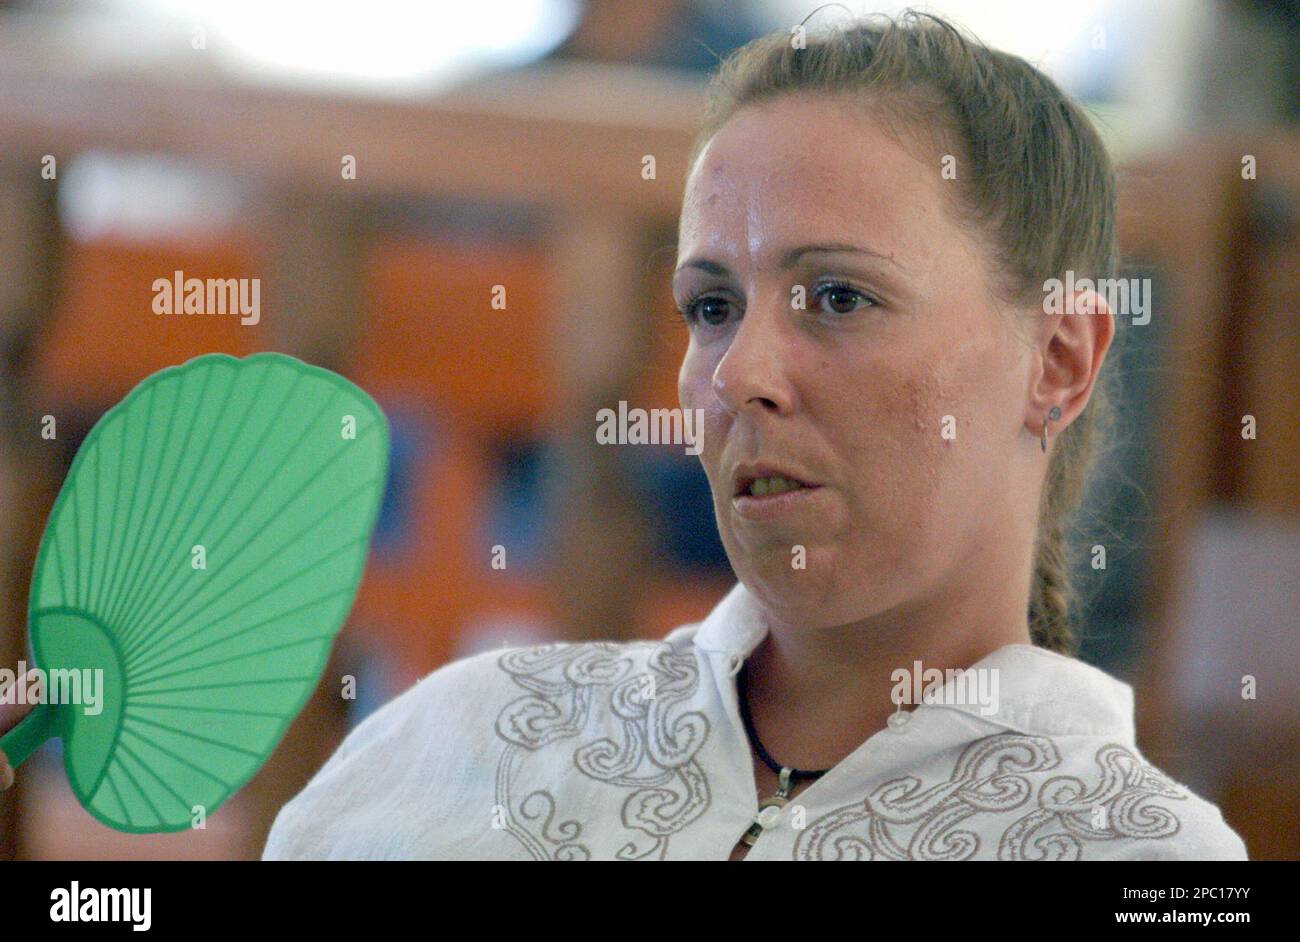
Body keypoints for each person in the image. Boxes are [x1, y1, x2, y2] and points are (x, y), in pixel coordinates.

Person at [13, 9, 1244, 861]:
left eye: (837, 297)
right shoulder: (462, 735)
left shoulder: (1144, 861)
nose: (736, 372)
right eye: (710, 306)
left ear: (1057, 359)